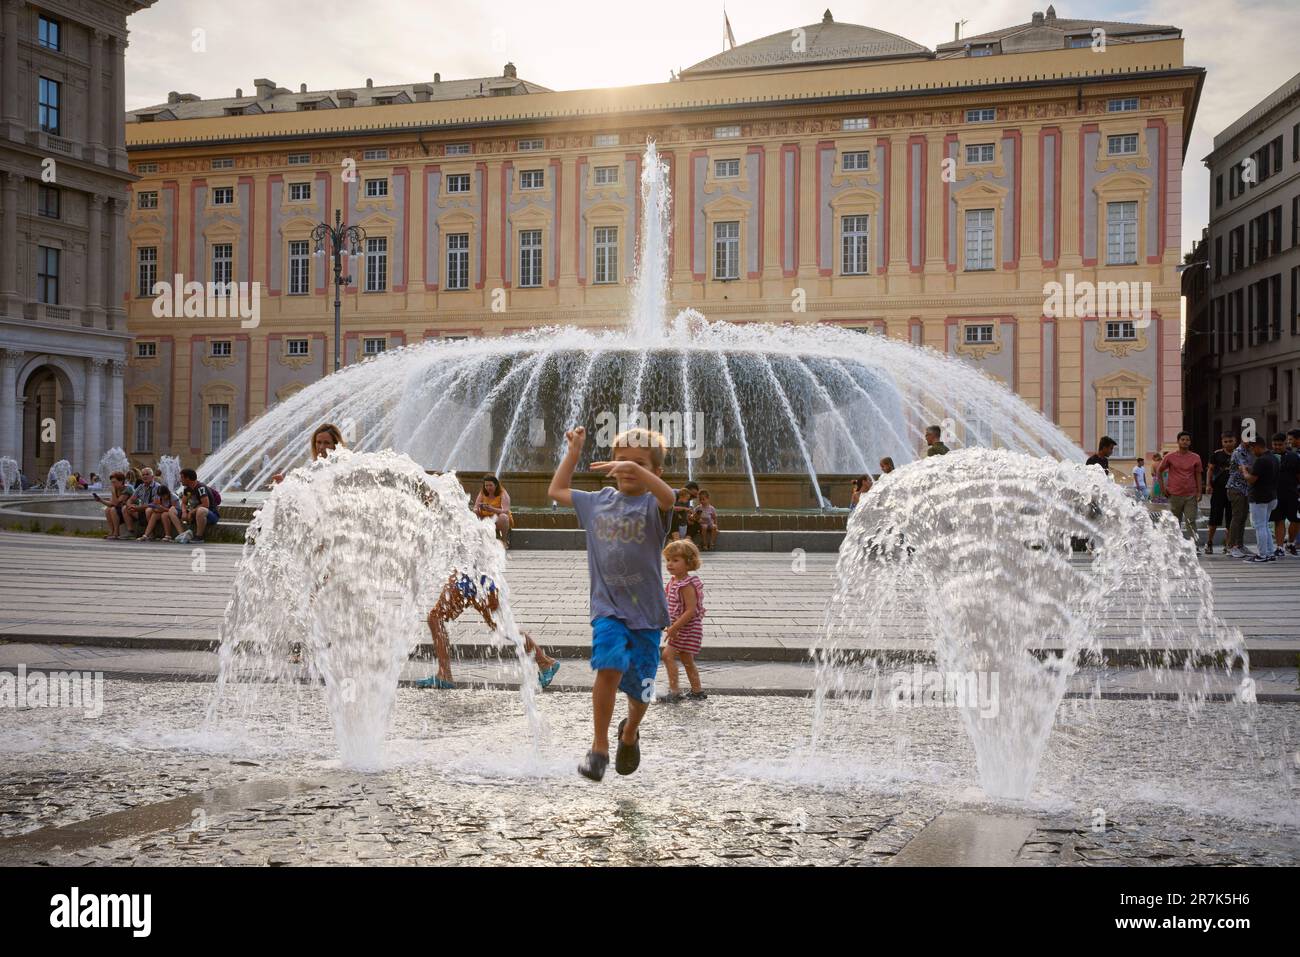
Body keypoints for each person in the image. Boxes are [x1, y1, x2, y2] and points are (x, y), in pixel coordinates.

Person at [548, 424, 675, 783]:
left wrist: (643, 476)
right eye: (621, 463)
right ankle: (599, 747)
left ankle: (630, 730)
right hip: (608, 608)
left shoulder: (653, 504)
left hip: (648, 616)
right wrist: (573, 454)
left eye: (639, 465)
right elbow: (556, 490)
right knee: (609, 663)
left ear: (656, 472)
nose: (628, 470)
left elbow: (671, 499)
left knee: (643, 691)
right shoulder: (597, 501)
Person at [417, 571, 560, 690]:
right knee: (503, 627)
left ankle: (444, 675)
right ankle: (544, 662)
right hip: (483, 580)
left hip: (468, 579)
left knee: (435, 618)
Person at [659, 539, 706, 704]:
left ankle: (675, 691)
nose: (670, 564)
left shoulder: (686, 584)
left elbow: (691, 610)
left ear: (688, 563)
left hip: (687, 627)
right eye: (668, 560)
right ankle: (697, 690)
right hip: (679, 627)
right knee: (686, 659)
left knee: (666, 655)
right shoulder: (673, 581)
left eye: (675, 560)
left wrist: (674, 627)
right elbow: (666, 601)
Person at [1156, 432, 1203, 547]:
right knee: (1174, 522)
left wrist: (1200, 491)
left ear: (1190, 442)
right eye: (1182, 439)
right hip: (1174, 494)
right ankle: (1173, 545)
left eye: (1187, 439)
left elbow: (1198, 474)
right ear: (1178, 441)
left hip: (1190, 495)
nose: (1185, 441)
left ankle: (1194, 546)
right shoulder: (1170, 457)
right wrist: (1162, 488)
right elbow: (1159, 471)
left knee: (1190, 520)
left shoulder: (1195, 457)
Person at [1241, 436, 1278, 562]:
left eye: (1252, 449)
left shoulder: (1261, 460)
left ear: (1256, 446)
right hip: (1271, 496)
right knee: (1265, 525)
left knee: (1260, 526)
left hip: (1259, 497)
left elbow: (1251, 479)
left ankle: (1262, 555)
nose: (1252, 452)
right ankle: (1270, 552)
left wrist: (1244, 471)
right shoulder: (1273, 457)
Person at [271, 422, 345, 483]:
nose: (321, 447)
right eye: (319, 442)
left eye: (327, 443)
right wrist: (283, 483)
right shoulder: (311, 466)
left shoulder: (342, 466)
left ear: (336, 445)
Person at [1204, 432, 1238, 556]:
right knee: (1214, 518)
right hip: (1219, 491)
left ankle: (1228, 545)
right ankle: (1209, 543)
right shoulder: (1216, 454)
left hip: (1234, 491)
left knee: (1231, 518)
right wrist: (1208, 485)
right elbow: (1210, 470)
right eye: (1225, 441)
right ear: (1222, 442)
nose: (1228, 443)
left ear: (1235, 441)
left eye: (1230, 441)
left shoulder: (1239, 454)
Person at [1268, 433, 1299, 558]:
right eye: (1275, 444)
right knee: (1278, 520)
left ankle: (1290, 543)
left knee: (1296, 519)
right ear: (1272, 444)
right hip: (1275, 494)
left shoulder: (1293, 457)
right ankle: (1279, 547)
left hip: (1292, 492)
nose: (1277, 447)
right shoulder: (1269, 456)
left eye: (1280, 444)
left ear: (1285, 443)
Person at [1225, 438, 1255, 559]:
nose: (1252, 442)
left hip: (1245, 489)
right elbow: (1246, 468)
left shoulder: (1249, 451)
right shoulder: (1238, 452)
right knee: (1237, 517)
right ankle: (1231, 546)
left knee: (1243, 517)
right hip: (1235, 488)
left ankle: (1240, 545)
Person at [175, 468, 219, 543]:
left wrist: (191, 512)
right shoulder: (187, 489)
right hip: (194, 514)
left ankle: (199, 536)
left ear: (188, 478)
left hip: (210, 515)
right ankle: (181, 533)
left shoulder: (200, 488)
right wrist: (184, 512)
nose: (180, 480)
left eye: (182, 477)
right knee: (172, 510)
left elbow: (205, 504)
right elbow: (183, 503)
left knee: (200, 510)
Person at [473, 474, 513, 549]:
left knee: (503, 517)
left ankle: (504, 540)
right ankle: (477, 540)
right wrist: (479, 508)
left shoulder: (502, 493)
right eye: (486, 485)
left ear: (496, 485)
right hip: (486, 517)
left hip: (498, 519)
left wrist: (492, 509)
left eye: (490, 485)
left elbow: (506, 510)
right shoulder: (482, 492)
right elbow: (475, 507)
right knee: (474, 514)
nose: (488, 487)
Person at [96, 471, 135, 539]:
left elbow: (116, 503)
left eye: (114, 482)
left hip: (129, 510)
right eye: (112, 482)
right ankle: (112, 531)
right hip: (121, 510)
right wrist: (100, 500)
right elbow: (111, 504)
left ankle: (116, 533)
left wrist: (113, 492)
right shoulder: (117, 489)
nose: (113, 484)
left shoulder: (128, 488)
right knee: (107, 509)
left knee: (113, 509)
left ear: (121, 481)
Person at [124, 467, 160, 538]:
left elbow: (155, 504)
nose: (145, 476)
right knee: (125, 508)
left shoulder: (157, 487)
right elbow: (131, 499)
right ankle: (130, 531)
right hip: (142, 510)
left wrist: (138, 507)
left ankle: (151, 533)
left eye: (147, 474)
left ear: (152, 476)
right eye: (143, 475)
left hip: (154, 511)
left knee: (148, 510)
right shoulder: (140, 487)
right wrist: (129, 505)